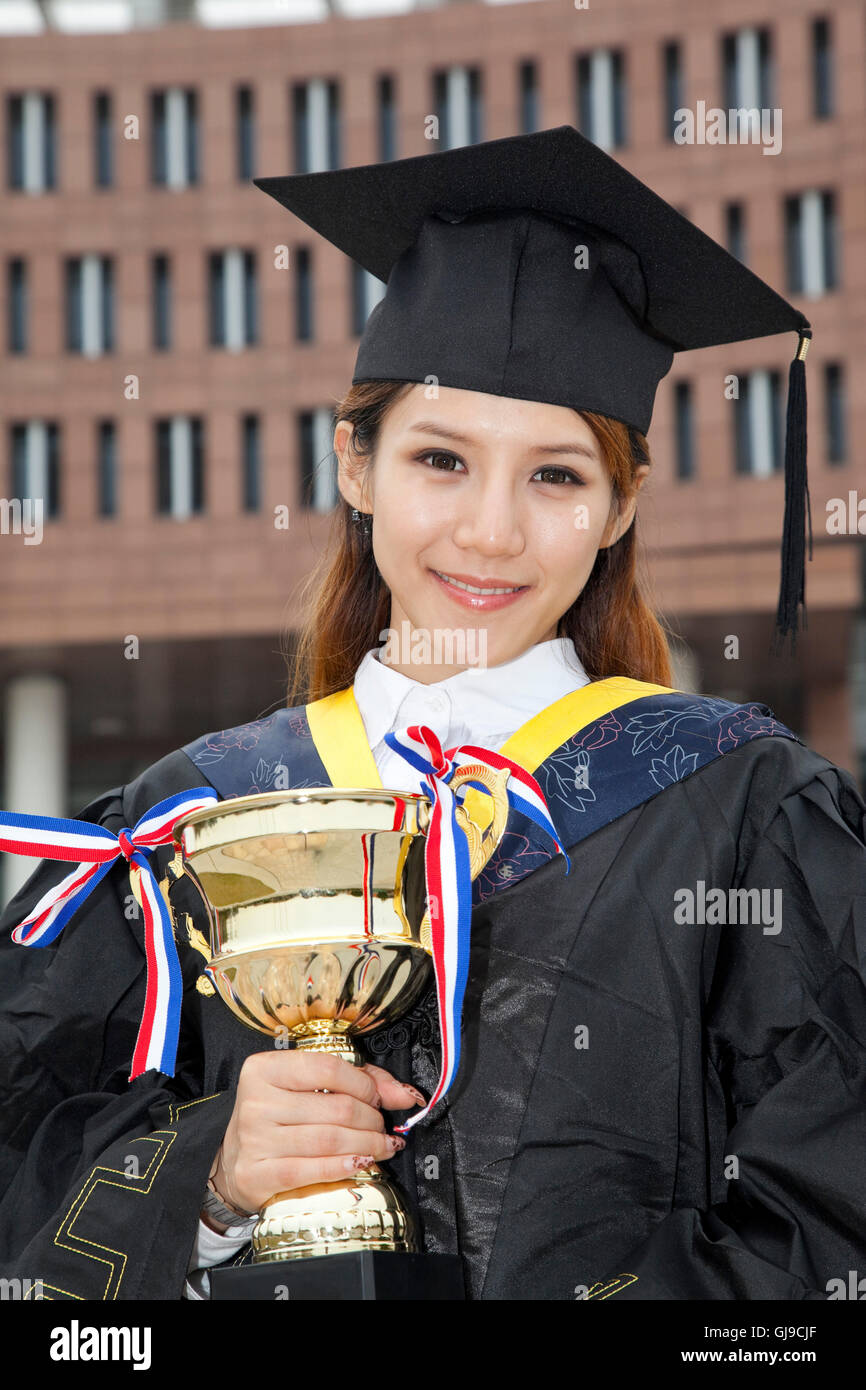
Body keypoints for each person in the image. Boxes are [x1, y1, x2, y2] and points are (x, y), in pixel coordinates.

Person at [1, 125, 865, 1302]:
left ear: (620, 506)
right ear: (354, 465)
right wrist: (206, 1183)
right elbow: (23, 1170)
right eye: (440, 460)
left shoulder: (741, 810)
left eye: (554, 475)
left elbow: (830, 1225)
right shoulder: (188, 821)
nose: (490, 532)